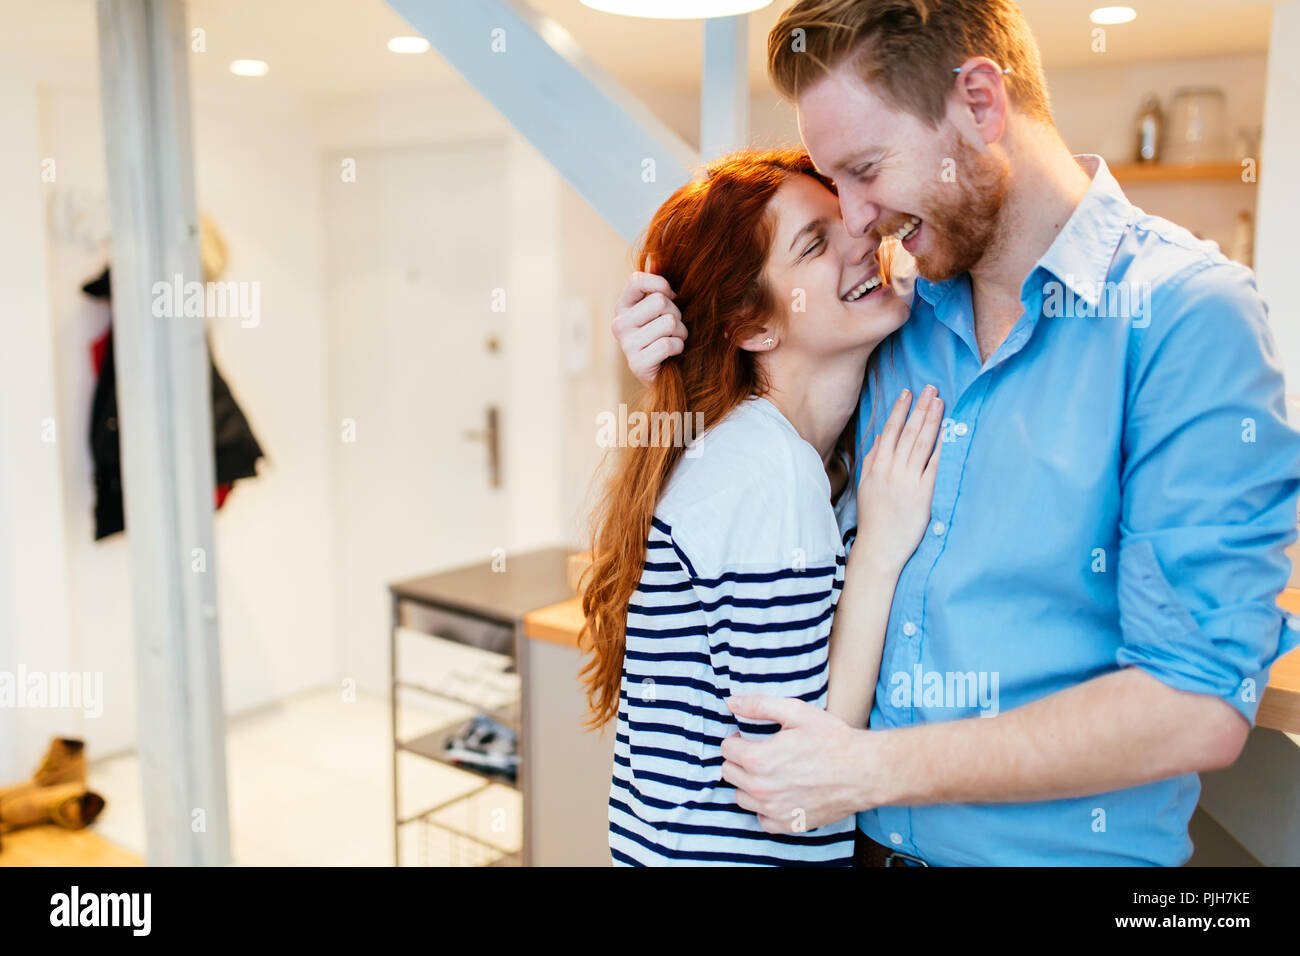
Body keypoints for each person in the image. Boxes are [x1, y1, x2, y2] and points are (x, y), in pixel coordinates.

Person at [609, 0, 1300, 866]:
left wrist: (865, 770)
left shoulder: (1186, 317)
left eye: (865, 169)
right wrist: (671, 357)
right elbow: (768, 434)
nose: (859, 219)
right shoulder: (896, 318)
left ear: (979, 102)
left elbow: (1191, 706)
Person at [579, 148, 942, 865]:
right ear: (753, 326)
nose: (864, 239)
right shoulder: (765, 470)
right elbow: (800, 789)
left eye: (851, 221)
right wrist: (878, 551)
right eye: (815, 242)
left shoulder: (775, 456)